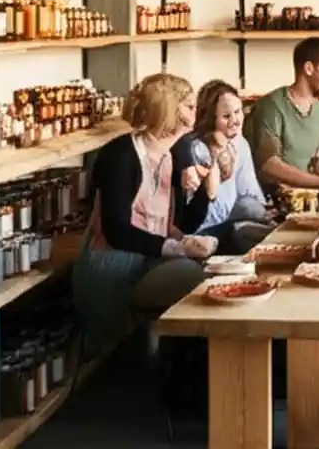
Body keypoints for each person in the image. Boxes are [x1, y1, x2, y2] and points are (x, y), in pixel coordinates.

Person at [72, 73, 215, 349]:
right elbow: (116, 231)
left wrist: (207, 191)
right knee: (190, 277)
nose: (196, 112)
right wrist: (177, 248)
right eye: (188, 106)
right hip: (111, 266)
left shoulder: (172, 153)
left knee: (198, 276)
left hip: (146, 259)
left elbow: (184, 223)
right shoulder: (122, 155)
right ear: (169, 111)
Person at [242, 37, 319, 193]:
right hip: (268, 201)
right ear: (308, 68)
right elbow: (269, 166)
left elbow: (313, 161)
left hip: (302, 198)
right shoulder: (272, 106)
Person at [179, 80, 270, 255]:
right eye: (226, 116)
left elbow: (249, 196)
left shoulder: (240, 144)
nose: (235, 121)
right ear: (210, 119)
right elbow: (197, 212)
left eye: (238, 112)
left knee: (256, 214)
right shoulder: (196, 148)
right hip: (201, 232)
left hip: (228, 222)